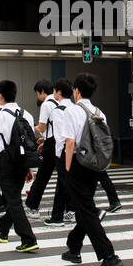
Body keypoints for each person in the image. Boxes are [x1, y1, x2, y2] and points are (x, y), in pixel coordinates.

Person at [62, 73, 122, 266]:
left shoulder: (72, 111)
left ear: (76, 90)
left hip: (78, 164)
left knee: (86, 210)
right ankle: (74, 247)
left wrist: (68, 167)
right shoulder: (99, 112)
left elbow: (70, 142)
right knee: (84, 206)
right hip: (95, 166)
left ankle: (108, 255)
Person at [0, 79, 41, 253]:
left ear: (0, 95)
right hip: (22, 161)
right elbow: (26, 143)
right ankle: (3, 229)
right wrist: (27, 168)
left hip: (8, 162)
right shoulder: (26, 114)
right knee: (14, 198)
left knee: (13, 200)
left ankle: (28, 238)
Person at [44, 79, 77, 226]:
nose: (53, 93)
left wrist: (58, 153)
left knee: (63, 183)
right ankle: (69, 211)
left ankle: (57, 216)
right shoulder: (76, 108)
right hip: (76, 149)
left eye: (54, 90)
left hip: (64, 150)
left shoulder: (58, 111)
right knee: (68, 181)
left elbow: (60, 136)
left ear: (59, 92)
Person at [26, 80, 58, 214]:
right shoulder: (59, 102)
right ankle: (70, 209)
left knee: (42, 176)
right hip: (60, 142)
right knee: (65, 178)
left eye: (37, 94)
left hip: (51, 144)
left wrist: (28, 129)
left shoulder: (46, 104)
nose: (38, 97)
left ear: (42, 92)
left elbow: (42, 126)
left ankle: (32, 205)